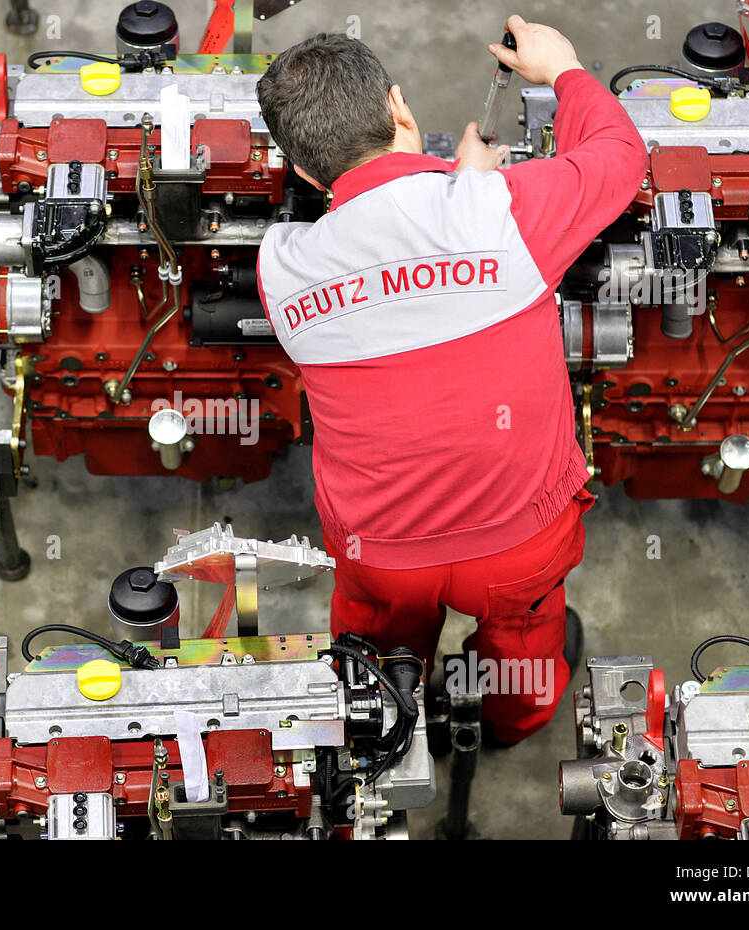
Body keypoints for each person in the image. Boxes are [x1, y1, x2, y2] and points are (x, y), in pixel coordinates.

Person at [254, 15, 647, 743]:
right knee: (525, 645)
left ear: (306, 174)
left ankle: (379, 727)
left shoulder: (281, 266)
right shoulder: (505, 210)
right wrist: (563, 70)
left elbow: (391, 272)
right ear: (400, 107)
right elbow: (622, 156)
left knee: (371, 650)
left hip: (382, 553)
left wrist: (457, 191)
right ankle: (507, 721)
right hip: (518, 540)